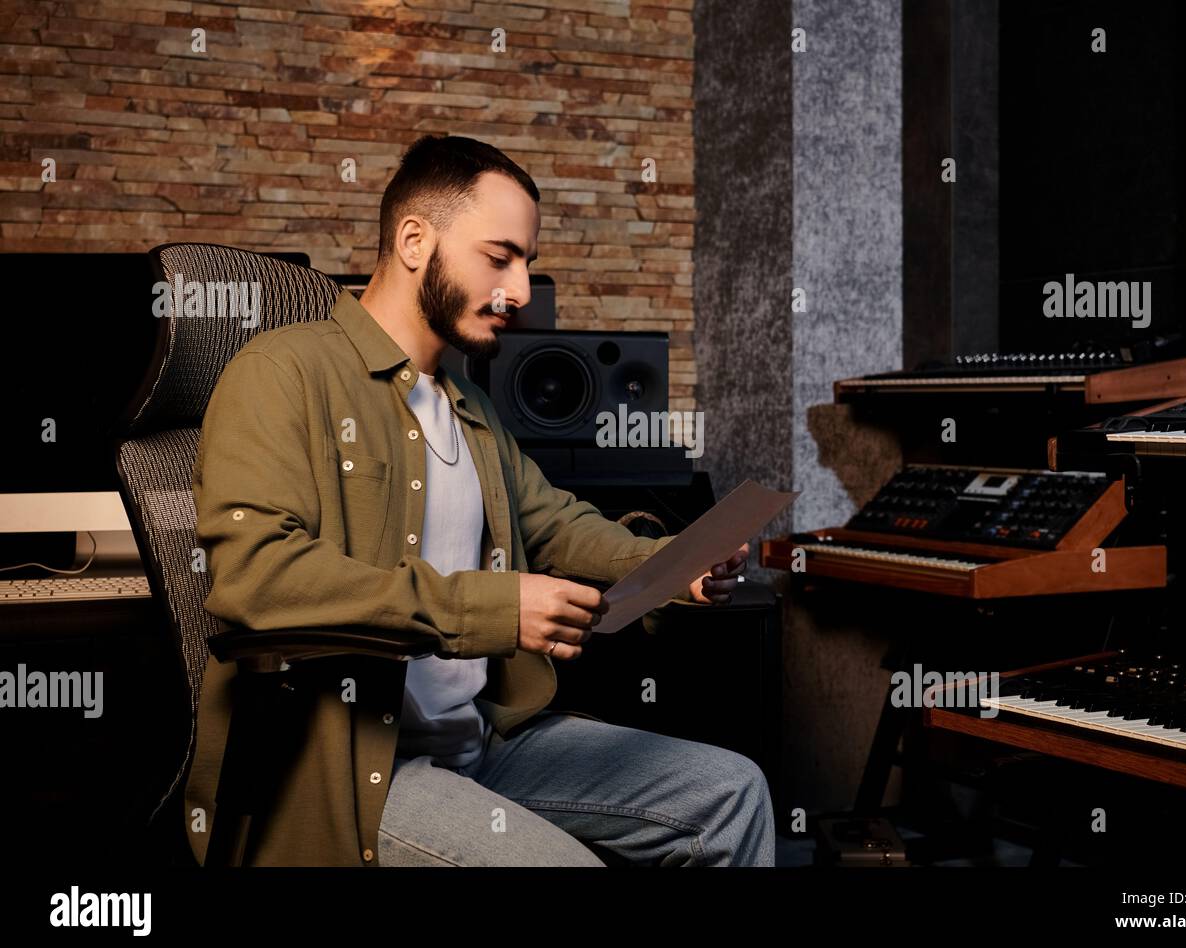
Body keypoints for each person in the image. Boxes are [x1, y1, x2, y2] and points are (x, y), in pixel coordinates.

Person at [186, 134, 775, 866]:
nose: (522, 290)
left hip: (485, 742)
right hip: (358, 768)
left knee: (730, 792)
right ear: (413, 240)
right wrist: (492, 608)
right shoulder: (281, 372)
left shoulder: (466, 405)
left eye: (525, 261)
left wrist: (673, 564)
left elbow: (555, 521)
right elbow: (256, 578)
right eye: (500, 258)